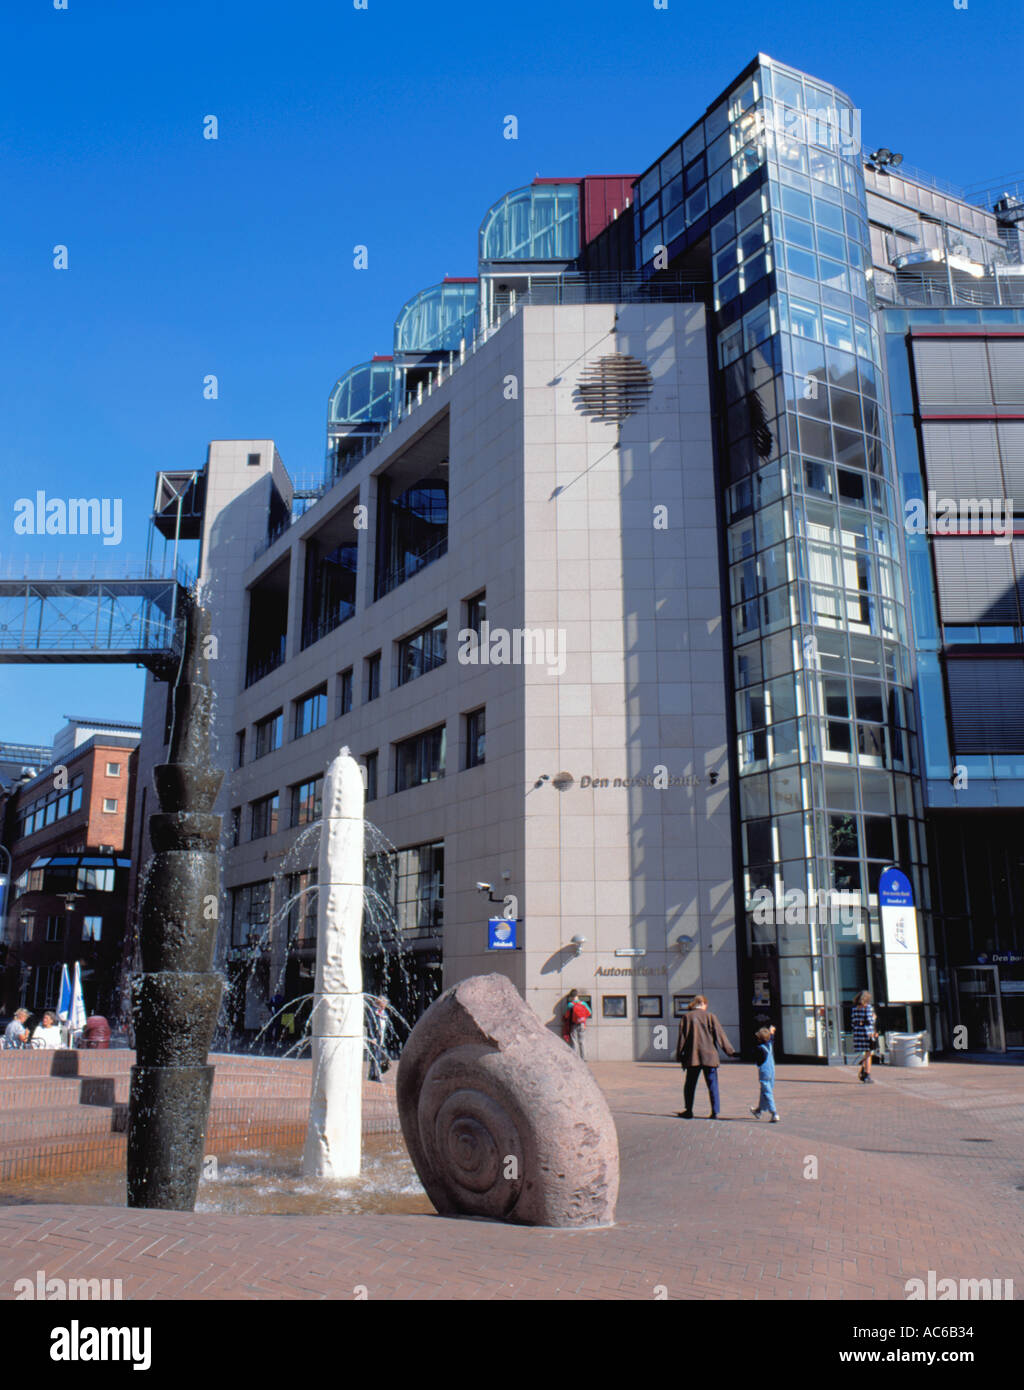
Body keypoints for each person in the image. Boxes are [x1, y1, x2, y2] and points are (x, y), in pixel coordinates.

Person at [675, 995, 736, 1118]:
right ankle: (715, 1111)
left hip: (693, 1057)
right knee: (712, 1084)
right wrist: (730, 1051)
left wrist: (679, 1055)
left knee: (690, 1085)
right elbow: (720, 1036)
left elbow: (682, 1039)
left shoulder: (686, 1017)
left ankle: (688, 1110)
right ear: (703, 1003)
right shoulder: (710, 1017)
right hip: (710, 1057)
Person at [749, 1023, 780, 1122]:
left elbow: (756, 1058)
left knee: (767, 1092)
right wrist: (771, 1032)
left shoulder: (760, 1048)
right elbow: (771, 1038)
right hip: (772, 1071)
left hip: (764, 1072)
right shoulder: (769, 1044)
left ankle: (774, 1112)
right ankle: (759, 1110)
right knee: (765, 1090)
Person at [852, 990, 878, 1083]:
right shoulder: (868, 1008)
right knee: (869, 1054)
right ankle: (866, 1073)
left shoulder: (855, 1008)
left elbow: (853, 1022)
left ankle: (864, 1069)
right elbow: (870, 1021)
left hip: (858, 1033)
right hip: (867, 1033)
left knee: (867, 1053)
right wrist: (874, 1018)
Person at [562, 989, 591, 1059]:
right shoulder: (583, 1003)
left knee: (574, 1041)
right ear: (577, 995)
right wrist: (582, 1018)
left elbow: (566, 1015)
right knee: (582, 1041)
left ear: (571, 997)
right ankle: (584, 1058)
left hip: (574, 1024)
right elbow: (589, 1012)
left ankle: (575, 1059)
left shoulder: (570, 1004)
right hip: (582, 1024)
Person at [367, 995, 389, 1082]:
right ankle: (376, 1076)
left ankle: (372, 1074)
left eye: (385, 1004)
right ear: (379, 1003)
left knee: (378, 1057)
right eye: (383, 1004)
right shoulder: (373, 1012)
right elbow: (370, 1026)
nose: (384, 1006)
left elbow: (385, 1027)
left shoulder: (384, 1014)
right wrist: (372, 1037)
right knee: (376, 1056)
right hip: (375, 1038)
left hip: (382, 1038)